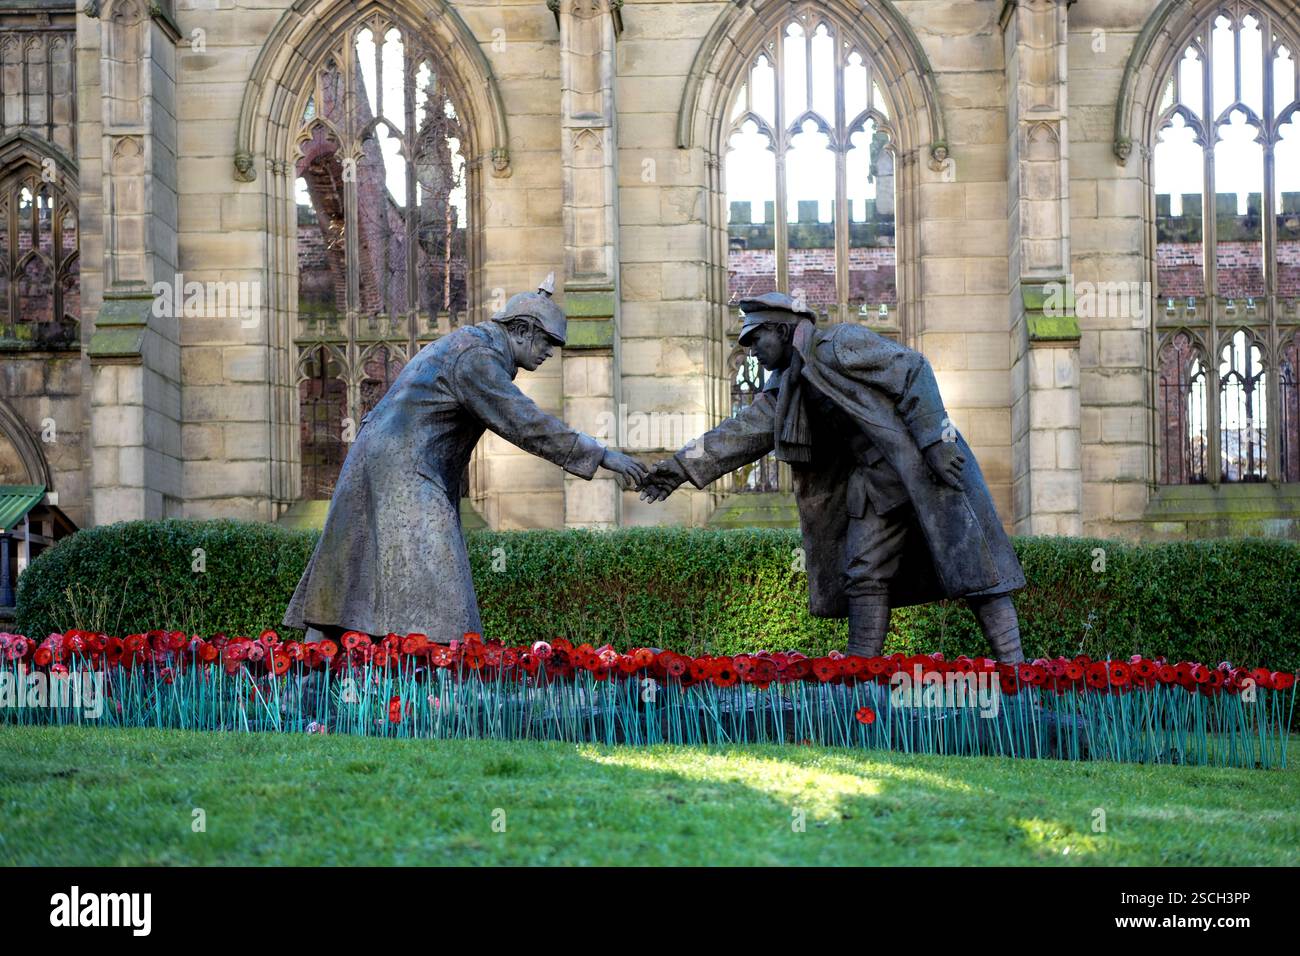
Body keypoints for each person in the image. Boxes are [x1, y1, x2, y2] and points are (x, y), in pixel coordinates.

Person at [640, 292, 1026, 663]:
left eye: (756, 339)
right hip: (876, 484)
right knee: (863, 571)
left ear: (782, 330)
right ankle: (860, 672)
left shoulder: (840, 344)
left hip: (928, 468)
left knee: (977, 569)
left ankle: (1017, 673)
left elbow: (914, 369)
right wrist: (676, 468)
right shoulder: (787, 386)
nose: (751, 351)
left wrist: (935, 442)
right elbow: (737, 433)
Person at [284, 277, 647, 645]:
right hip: (404, 471)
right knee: (443, 589)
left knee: (354, 573)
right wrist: (600, 455)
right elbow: (523, 421)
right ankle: (445, 683)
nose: (549, 352)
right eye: (546, 341)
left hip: (385, 463)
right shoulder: (477, 357)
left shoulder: (474, 346)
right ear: (521, 330)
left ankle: (315, 671)